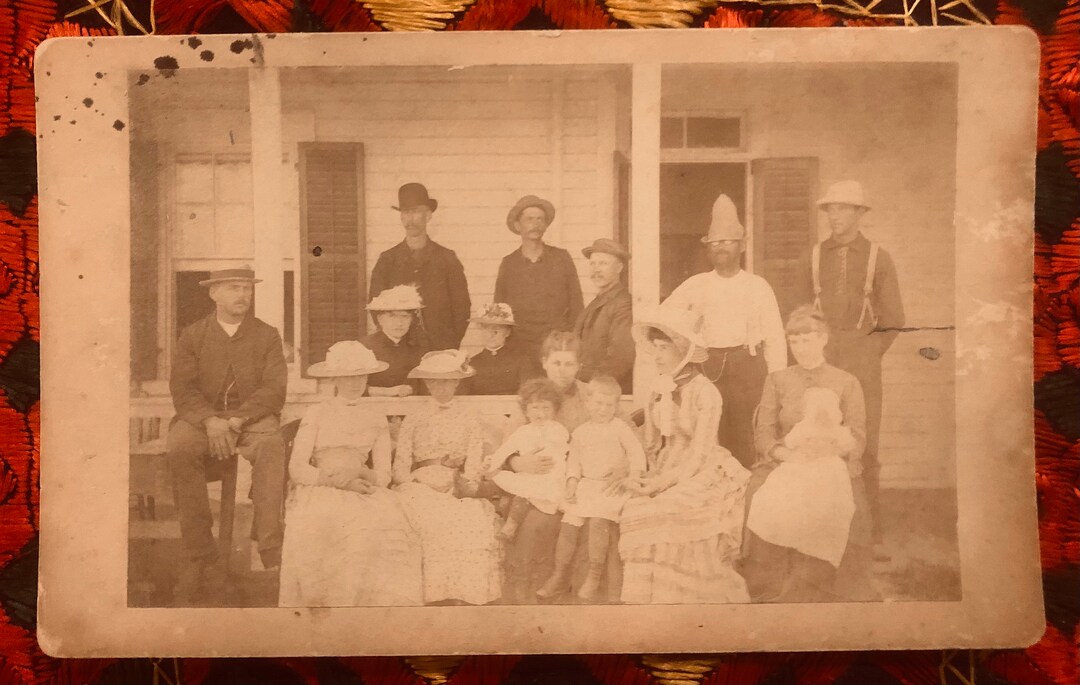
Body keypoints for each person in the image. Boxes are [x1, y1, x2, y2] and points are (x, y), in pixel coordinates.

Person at [166, 267, 287, 604]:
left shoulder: (267, 335)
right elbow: (183, 389)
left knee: (271, 445)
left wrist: (239, 419)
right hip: (203, 421)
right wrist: (209, 420)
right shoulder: (193, 335)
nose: (242, 296)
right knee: (179, 447)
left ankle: (269, 547)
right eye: (234, 288)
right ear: (213, 293)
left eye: (247, 288)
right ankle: (200, 554)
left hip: (251, 419)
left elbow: (274, 389)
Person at [742, 305, 876, 602]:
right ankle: (772, 585)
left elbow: (857, 434)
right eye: (795, 341)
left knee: (845, 502)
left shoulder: (846, 381)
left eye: (808, 339)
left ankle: (823, 585)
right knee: (760, 494)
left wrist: (833, 449)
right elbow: (763, 433)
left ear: (824, 339)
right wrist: (785, 455)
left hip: (831, 462)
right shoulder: (777, 380)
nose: (801, 348)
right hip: (788, 461)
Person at [617, 307, 751, 604]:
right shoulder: (657, 390)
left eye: (664, 348)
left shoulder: (706, 393)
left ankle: (686, 596)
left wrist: (661, 483)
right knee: (636, 508)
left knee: (672, 509)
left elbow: (699, 454)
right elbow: (652, 445)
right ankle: (649, 598)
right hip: (665, 466)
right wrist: (643, 474)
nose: (658, 356)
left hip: (702, 469)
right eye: (655, 348)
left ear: (683, 351)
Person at [800, 180, 905, 547]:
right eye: (830, 209)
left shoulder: (879, 257)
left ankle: (869, 532)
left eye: (843, 208)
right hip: (822, 359)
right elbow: (800, 314)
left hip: (862, 361)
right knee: (816, 436)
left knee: (863, 441)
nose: (835, 215)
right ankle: (819, 526)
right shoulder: (813, 256)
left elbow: (893, 318)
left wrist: (868, 354)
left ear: (860, 214)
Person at [278, 341, 423, 607]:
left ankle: (375, 611)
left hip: (363, 486)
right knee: (331, 520)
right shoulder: (317, 412)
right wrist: (339, 481)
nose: (356, 383)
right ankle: (328, 607)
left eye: (361, 376)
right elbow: (297, 468)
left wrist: (358, 473)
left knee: (388, 521)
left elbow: (383, 476)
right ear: (335, 378)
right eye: (348, 377)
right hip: (321, 486)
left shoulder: (375, 416)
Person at [662, 194, 786, 469]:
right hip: (709, 366)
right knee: (710, 438)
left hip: (749, 368)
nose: (721, 248)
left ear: (741, 247)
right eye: (715, 243)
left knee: (747, 437)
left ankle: (746, 502)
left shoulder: (757, 286)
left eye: (728, 242)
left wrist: (777, 382)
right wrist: (690, 332)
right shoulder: (696, 284)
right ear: (708, 249)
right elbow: (665, 317)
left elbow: (776, 338)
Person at [392, 350, 502, 605]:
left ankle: (464, 594)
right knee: (431, 516)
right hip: (419, 484)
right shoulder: (414, 418)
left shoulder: (468, 417)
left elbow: (474, 461)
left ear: (456, 382)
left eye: (447, 381)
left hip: (456, 484)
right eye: (435, 382)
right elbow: (400, 467)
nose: (441, 388)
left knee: (469, 517)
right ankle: (435, 595)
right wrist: (416, 482)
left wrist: (462, 483)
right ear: (428, 383)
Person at [538, 375, 646, 602]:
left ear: (616, 407)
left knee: (598, 521)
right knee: (570, 521)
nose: (603, 409)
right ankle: (558, 575)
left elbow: (636, 453)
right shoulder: (580, 432)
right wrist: (572, 482)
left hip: (610, 487)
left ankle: (594, 575)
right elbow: (574, 463)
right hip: (586, 485)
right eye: (597, 403)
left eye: (609, 405)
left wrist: (632, 474)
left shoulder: (619, 428)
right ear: (587, 403)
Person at [744, 387, 857, 586]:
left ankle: (812, 556)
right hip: (801, 464)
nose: (821, 416)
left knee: (829, 498)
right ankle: (782, 547)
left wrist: (833, 449)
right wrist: (798, 451)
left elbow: (848, 445)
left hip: (827, 469)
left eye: (826, 412)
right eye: (816, 411)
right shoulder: (803, 428)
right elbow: (788, 442)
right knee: (780, 490)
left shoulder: (837, 431)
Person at [369, 183, 471, 350]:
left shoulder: (447, 259)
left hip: (440, 347)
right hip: (400, 349)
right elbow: (375, 307)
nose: (410, 219)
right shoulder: (387, 260)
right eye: (406, 212)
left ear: (428, 215)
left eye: (416, 211)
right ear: (401, 217)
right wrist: (392, 341)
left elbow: (462, 308)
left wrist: (449, 345)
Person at [494, 195, 584, 358]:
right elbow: (499, 310)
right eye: (529, 219)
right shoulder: (509, 263)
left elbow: (576, 304)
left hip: (556, 345)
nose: (535, 224)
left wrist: (569, 339)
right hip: (520, 345)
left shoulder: (561, 258)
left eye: (540, 219)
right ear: (517, 225)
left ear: (545, 225)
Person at [484, 378, 570, 542]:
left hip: (549, 475)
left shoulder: (556, 429)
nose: (541, 413)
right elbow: (506, 449)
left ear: (554, 410)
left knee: (524, 493)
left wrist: (541, 445)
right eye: (535, 407)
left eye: (546, 408)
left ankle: (510, 527)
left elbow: (558, 445)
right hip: (528, 474)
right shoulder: (522, 431)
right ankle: (476, 491)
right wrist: (492, 461)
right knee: (502, 479)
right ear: (526, 411)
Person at [575, 239, 635, 393]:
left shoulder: (623, 304)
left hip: (603, 391)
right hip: (585, 386)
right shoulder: (597, 301)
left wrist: (597, 388)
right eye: (593, 264)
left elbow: (622, 357)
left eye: (603, 263)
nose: (596, 269)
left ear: (619, 268)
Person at [364, 285, 429, 397]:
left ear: (411, 319)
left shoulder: (420, 346)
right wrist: (388, 392)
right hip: (376, 408)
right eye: (392, 316)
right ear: (380, 319)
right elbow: (350, 389)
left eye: (404, 316)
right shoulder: (365, 346)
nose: (399, 323)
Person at [463, 303, 541, 395]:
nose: (490, 335)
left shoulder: (521, 361)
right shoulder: (472, 364)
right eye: (485, 329)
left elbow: (527, 395)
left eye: (496, 330)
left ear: (507, 332)